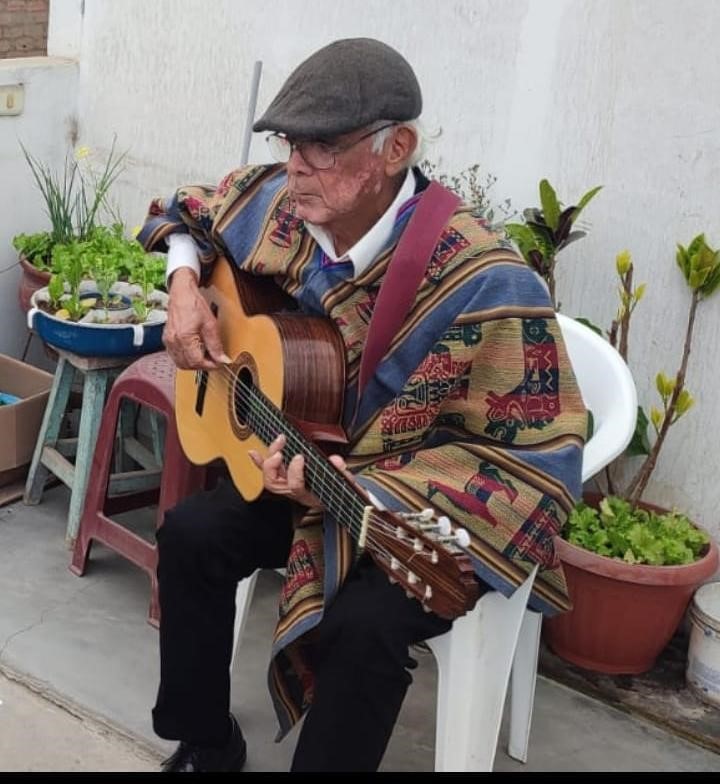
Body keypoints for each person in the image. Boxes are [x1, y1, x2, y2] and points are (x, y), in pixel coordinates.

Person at [137, 37, 588, 773]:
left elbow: (536, 452)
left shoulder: (482, 280)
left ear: (395, 148)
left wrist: (367, 488)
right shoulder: (279, 206)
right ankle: (208, 743)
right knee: (191, 534)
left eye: (320, 147)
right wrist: (186, 287)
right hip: (303, 465)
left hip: (413, 514)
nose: (294, 166)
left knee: (366, 628)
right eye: (290, 143)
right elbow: (183, 210)